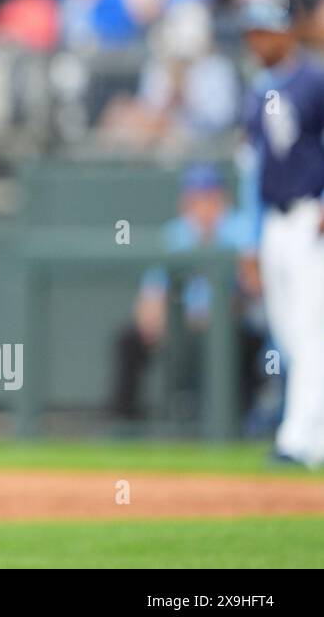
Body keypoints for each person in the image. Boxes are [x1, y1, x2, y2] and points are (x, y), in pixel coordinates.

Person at [240, 0, 324, 467]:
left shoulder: (314, 81)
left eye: (264, 31)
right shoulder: (257, 89)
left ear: (286, 30)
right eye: (252, 32)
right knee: (289, 334)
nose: (256, 40)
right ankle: (314, 433)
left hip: (310, 216)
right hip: (274, 221)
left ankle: (296, 441)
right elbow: (252, 166)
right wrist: (249, 238)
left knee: (310, 331)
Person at [108, 164, 263, 424]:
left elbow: (255, 288)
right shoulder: (176, 232)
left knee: (240, 340)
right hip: (181, 326)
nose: (202, 205)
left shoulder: (242, 227)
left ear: (221, 198)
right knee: (128, 339)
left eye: (208, 196)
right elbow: (152, 293)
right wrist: (153, 321)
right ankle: (125, 427)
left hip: (232, 325)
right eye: (195, 198)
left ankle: (239, 423)